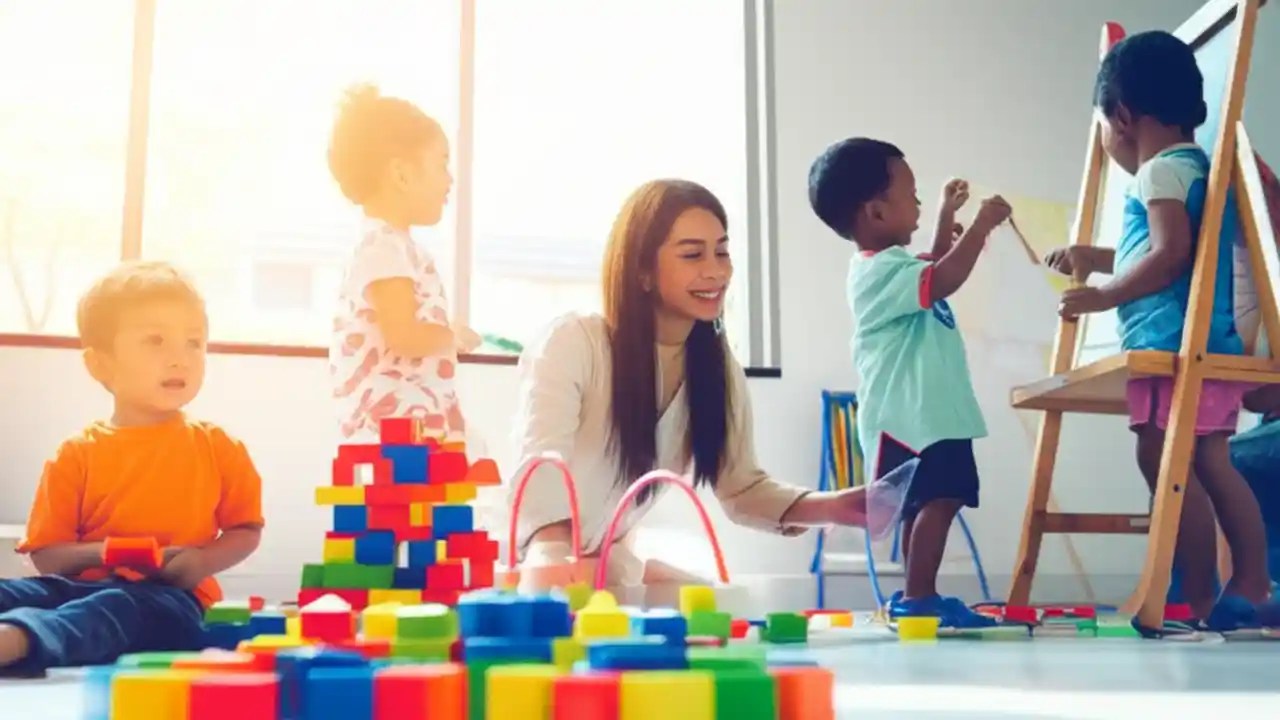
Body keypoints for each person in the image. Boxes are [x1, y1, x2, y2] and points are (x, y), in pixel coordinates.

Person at [509, 179, 901, 590]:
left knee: (718, 603)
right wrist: (549, 556)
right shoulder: (573, 342)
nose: (716, 271)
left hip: (605, 566)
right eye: (693, 254)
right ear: (642, 271)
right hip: (529, 562)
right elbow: (541, 460)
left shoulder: (717, 367)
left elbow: (742, 487)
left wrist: (839, 507)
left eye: (722, 252)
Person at [1047, 30, 1275, 631]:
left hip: (1174, 348)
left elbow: (1170, 255)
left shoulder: (1155, 175)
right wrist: (1094, 259)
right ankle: (1219, 585)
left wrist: (1104, 294)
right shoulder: (1195, 166)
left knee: (1172, 461)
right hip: (1194, 344)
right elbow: (1172, 251)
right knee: (1199, 462)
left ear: (1121, 117)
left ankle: (1209, 587)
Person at [2, 262, 264, 673]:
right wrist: (103, 552)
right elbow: (48, 558)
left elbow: (245, 529)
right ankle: (22, 626)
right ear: (101, 365)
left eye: (194, 342)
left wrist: (201, 562)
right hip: (79, 586)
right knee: (21, 592)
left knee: (115, 607)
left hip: (172, 599)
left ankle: (17, 639)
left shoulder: (218, 447)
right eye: (156, 340)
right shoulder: (76, 453)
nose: (181, 358)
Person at [808, 137, 1011, 628]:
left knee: (924, 503)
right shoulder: (877, 273)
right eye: (913, 195)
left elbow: (934, 261)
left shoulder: (889, 266)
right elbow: (941, 277)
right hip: (918, 416)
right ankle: (921, 597)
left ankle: (914, 597)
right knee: (939, 499)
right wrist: (981, 225)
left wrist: (945, 212)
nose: (918, 202)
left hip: (922, 414)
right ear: (876, 213)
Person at [327, 84, 480, 444]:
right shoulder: (383, 247)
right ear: (401, 175)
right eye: (441, 163)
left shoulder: (394, 246)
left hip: (403, 418)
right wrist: (451, 336)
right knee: (471, 455)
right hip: (390, 423)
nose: (450, 178)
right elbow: (403, 334)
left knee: (470, 451)